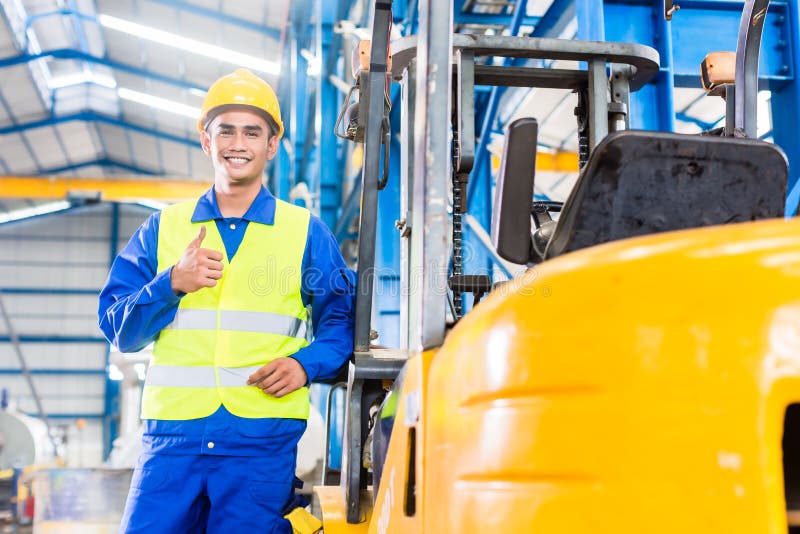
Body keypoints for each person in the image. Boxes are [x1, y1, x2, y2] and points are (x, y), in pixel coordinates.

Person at [98, 68, 354, 533]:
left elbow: (340, 321)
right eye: (226, 130)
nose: (239, 142)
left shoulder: (305, 232)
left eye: (252, 132)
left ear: (271, 145)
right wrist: (170, 283)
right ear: (206, 140)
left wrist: (306, 365)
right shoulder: (163, 229)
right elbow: (118, 327)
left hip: (260, 439)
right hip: (172, 440)